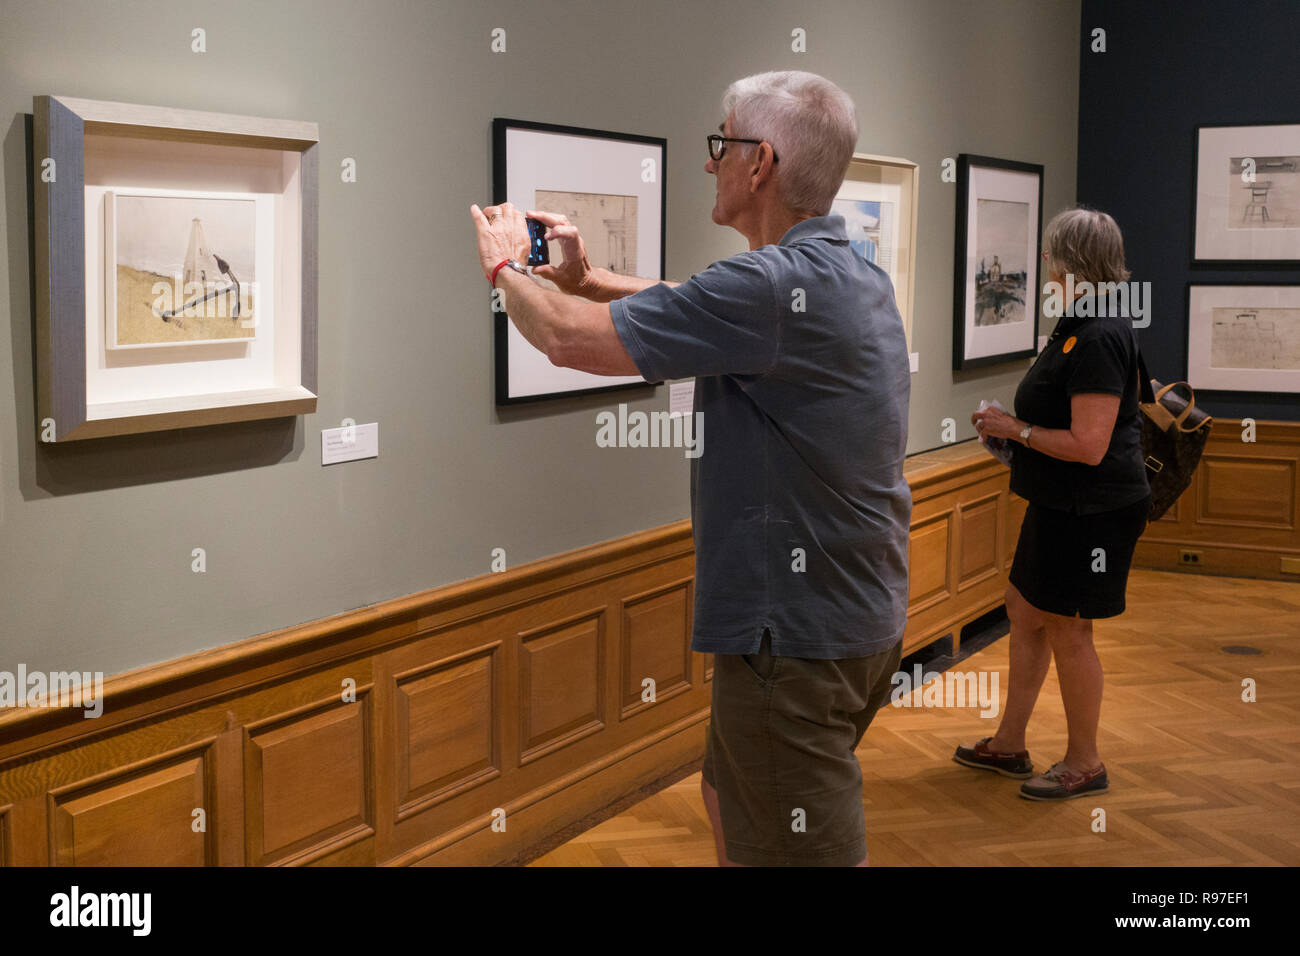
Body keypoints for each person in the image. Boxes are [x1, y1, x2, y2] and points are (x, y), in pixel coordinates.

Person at [469, 70, 911, 865]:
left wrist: (508, 270)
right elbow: (696, 305)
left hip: (795, 638)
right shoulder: (847, 271)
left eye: (722, 144)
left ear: (760, 163)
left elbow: (569, 341)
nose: (710, 163)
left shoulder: (770, 283)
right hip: (856, 616)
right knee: (727, 791)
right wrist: (586, 278)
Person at [957, 207, 1151, 801]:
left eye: (1051, 254)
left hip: (1092, 509)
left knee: (1071, 628)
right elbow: (1058, 428)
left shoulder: (1098, 335)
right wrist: (1011, 440)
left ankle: (1085, 762)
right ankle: (1011, 742)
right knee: (1023, 607)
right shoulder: (1078, 323)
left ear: (1069, 262)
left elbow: (1090, 447)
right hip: (1060, 502)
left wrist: (1016, 431)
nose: (1044, 264)